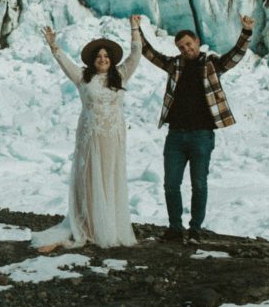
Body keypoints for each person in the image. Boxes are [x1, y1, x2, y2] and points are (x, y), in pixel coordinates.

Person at [139, 15, 255, 243]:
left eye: (188, 44)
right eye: (181, 47)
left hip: (201, 135)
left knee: (199, 184)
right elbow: (149, 53)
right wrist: (136, 30)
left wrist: (246, 32)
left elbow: (235, 56)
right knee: (171, 184)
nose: (186, 49)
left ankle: (194, 230)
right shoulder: (175, 65)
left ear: (197, 42)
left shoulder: (211, 64)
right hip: (175, 135)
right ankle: (174, 229)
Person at [31, 18, 144, 252]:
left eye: (106, 56)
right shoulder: (83, 77)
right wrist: (54, 46)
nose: (103, 59)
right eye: (99, 56)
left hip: (113, 137)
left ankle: (109, 226)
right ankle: (88, 226)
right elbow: (65, 64)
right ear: (93, 60)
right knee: (89, 179)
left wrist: (134, 29)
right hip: (90, 136)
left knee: (109, 177)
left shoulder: (120, 75)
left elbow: (136, 55)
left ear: (111, 60)